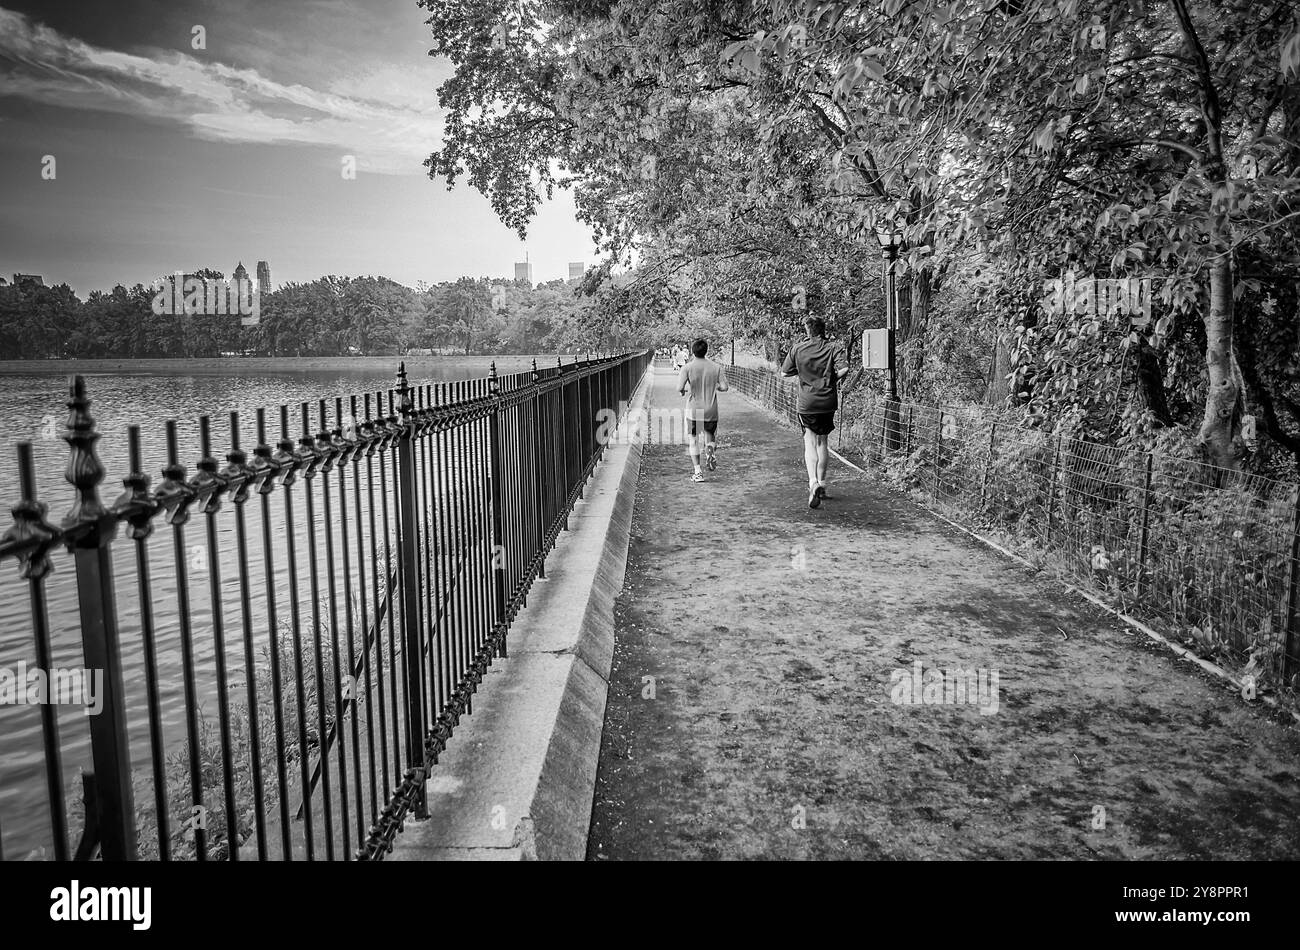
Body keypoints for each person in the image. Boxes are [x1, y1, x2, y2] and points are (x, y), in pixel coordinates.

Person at [780, 316, 848, 508]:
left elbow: (784, 373)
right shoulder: (833, 347)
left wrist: (801, 373)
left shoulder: (797, 348)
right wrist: (831, 379)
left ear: (808, 331)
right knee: (823, 441)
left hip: (807, 403)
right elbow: (844, 369)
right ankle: (823, 483)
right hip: (827, 401)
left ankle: (813, 483)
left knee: (809, 441)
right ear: (823, 329)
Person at [678, 338, 728, 482]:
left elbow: (679, 388)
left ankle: (698, 473)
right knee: (709, 436)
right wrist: (715, 387)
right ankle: (710, 451)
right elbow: (724, 387)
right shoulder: (716, 367)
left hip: (694, 411)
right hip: (711, 410)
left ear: (692, 351)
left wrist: (683, 391)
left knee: (693, 440)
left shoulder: (687, 368)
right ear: (706, 351)